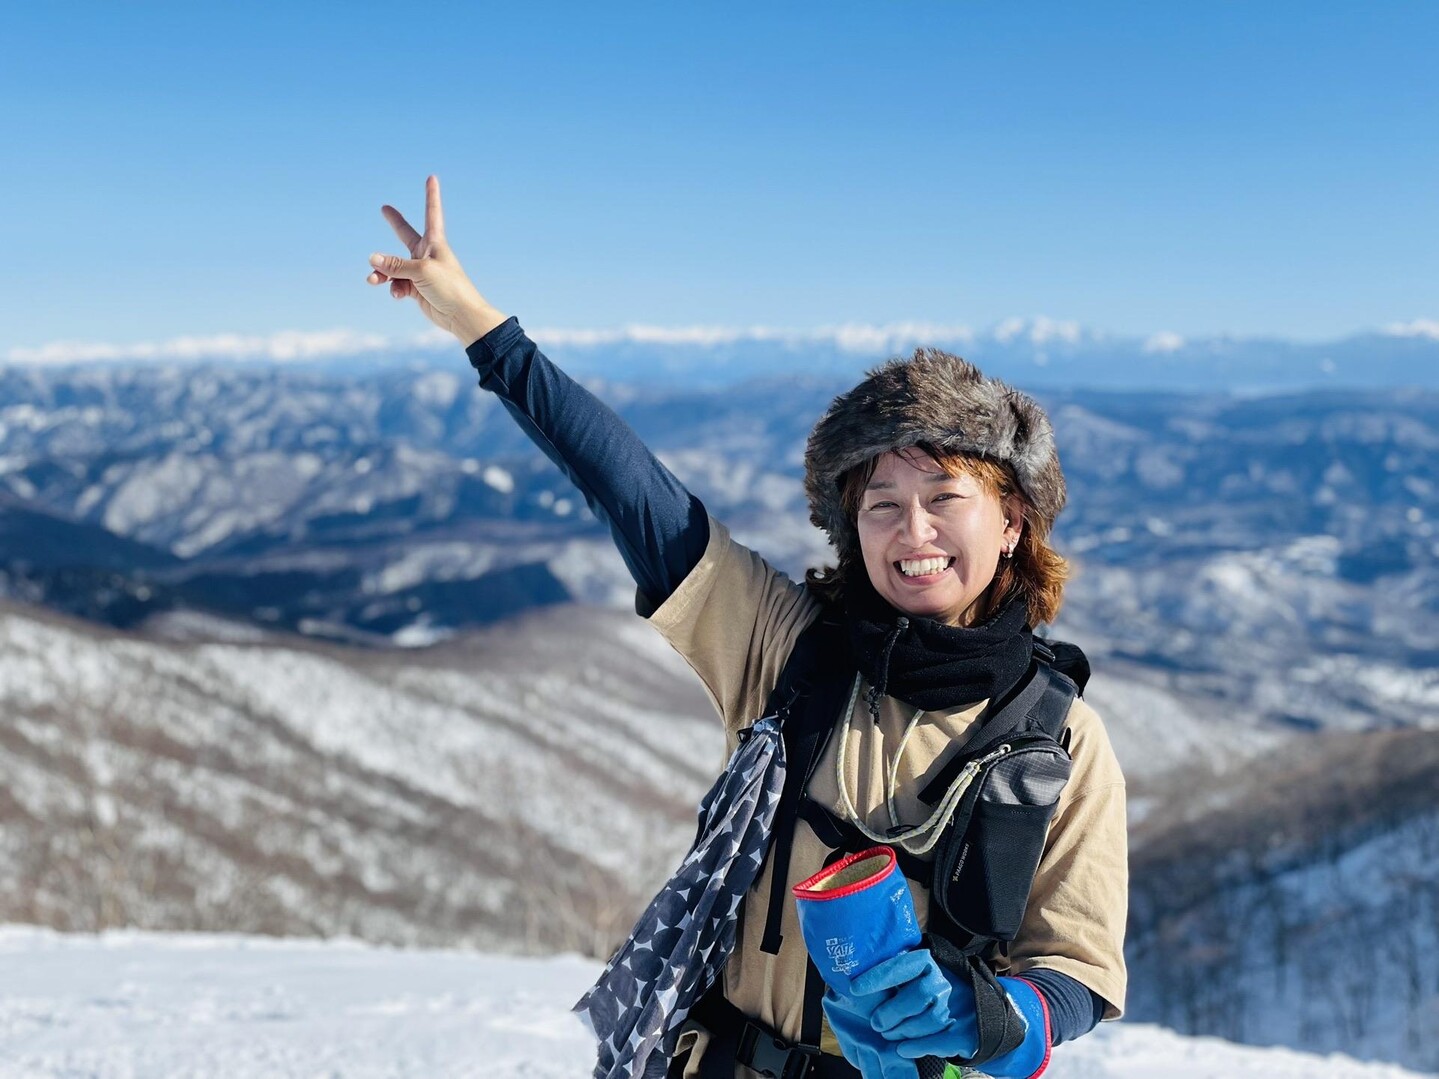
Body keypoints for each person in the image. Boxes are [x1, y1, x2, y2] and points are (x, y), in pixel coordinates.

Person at [367, 177, 1127, 1079]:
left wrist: (984, 1017)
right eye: (881, 503)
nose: (912, 531)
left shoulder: (1060, 739)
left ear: (1010, 523)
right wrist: (482, 328)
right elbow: (639, 499)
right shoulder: (791, 651)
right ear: (851, 531)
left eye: (943, 497)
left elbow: (1077, 969)